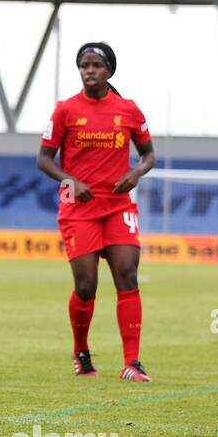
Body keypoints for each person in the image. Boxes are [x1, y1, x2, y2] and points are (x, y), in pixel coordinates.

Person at [37, 42, 155, 382]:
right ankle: (81, 350)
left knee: (127, 275)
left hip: (118, 205)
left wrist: (135, 174)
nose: (90, 71)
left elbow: (148, 155)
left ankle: (132, 362)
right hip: (78, 207)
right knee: (87, 285)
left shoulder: (129, 110)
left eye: (96, 65)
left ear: (108, 71)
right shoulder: (65, 111)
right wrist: (70, 179)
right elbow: (44, 158)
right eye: (84, 65)